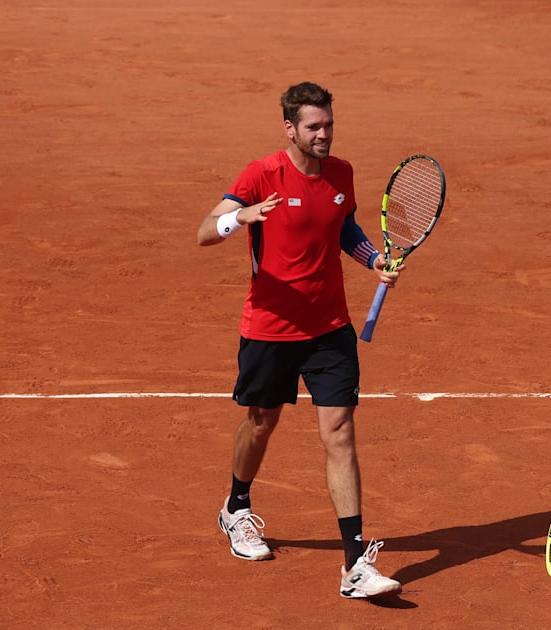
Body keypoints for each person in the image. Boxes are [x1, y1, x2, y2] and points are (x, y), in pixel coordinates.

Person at [196, 81, 403, 599]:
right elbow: (203, 230)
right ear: (290, 128)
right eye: (313, 126)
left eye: (329, 124)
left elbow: (344, 231)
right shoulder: (261, 173)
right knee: (260, 424)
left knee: (340, 433)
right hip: (269, 329)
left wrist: (373, 259)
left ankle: (354, 563)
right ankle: (236, 506)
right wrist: (237, 217)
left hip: (330, 328)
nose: (324, 134)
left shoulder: (341, 174)